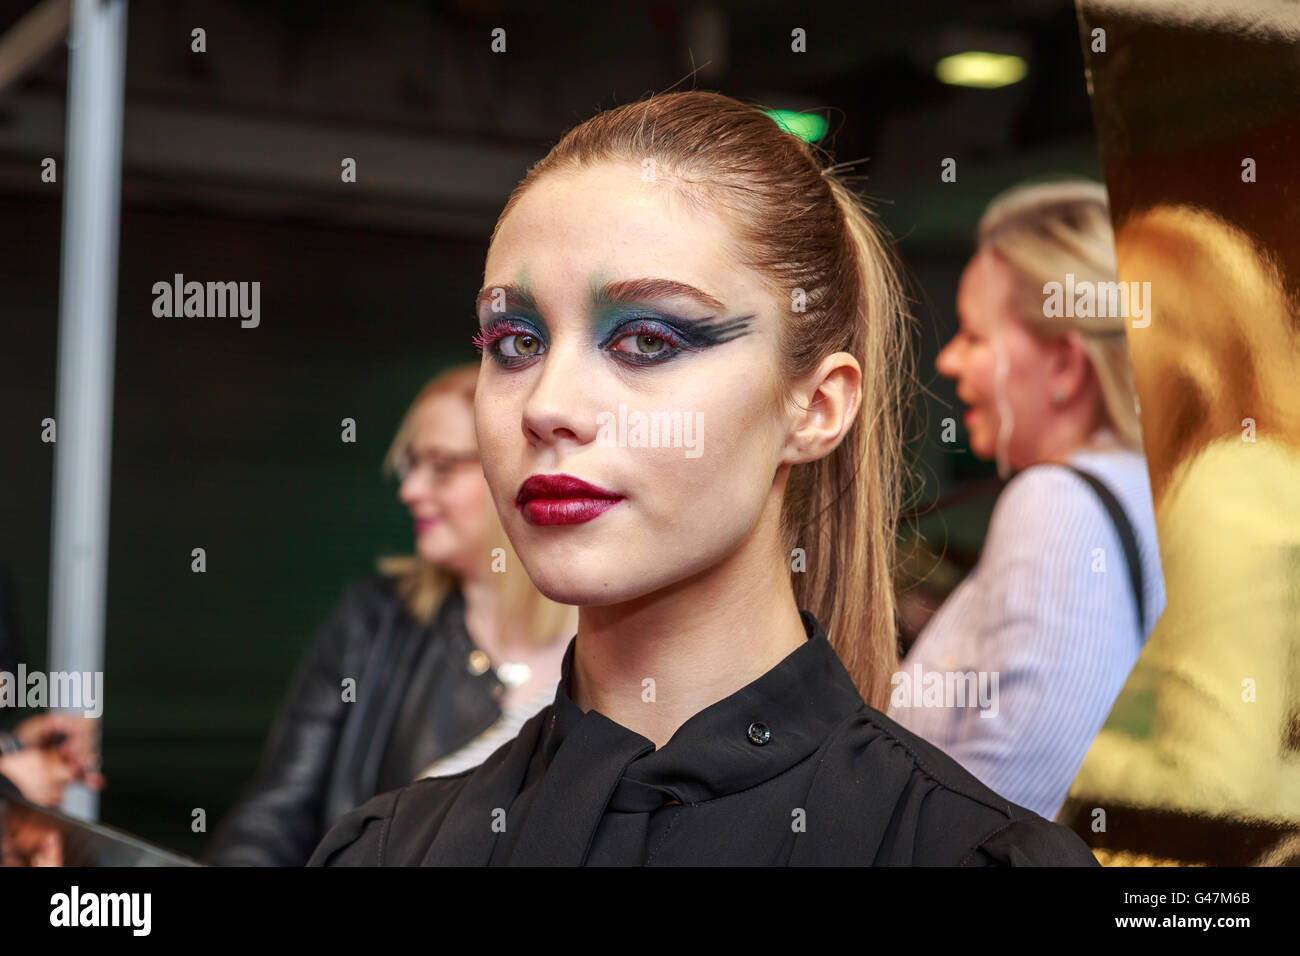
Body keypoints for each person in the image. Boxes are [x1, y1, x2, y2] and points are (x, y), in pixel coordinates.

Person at [308, 90, 1098, 866]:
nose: (547, 407)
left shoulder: (974, 855)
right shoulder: (385, 849)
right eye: (515, 341)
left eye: (648, 340)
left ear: (816, 408)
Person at [205, 365, 576, 866]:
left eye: (441, 466)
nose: (411, 491)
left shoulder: (615, 639)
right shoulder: (375, 623)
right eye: (411, 465)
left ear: (512, 465)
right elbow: (272, 817)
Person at [887, 180, 1166, 820]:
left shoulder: (1059, 503)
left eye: (976, 337)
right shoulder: (1138, 483)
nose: (951, 360)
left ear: (1066, 367)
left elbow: (1008, 802)